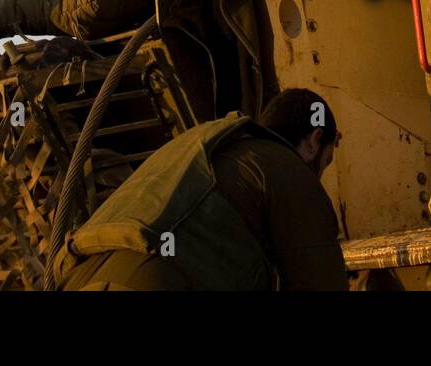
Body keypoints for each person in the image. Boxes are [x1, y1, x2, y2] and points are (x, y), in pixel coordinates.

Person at [56, 88, 347, 290]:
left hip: (77, 278)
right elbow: (319, 281)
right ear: (314, 139)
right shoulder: (290, 170)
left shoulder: (203, 145)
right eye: (326, 161)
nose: (319, 175)